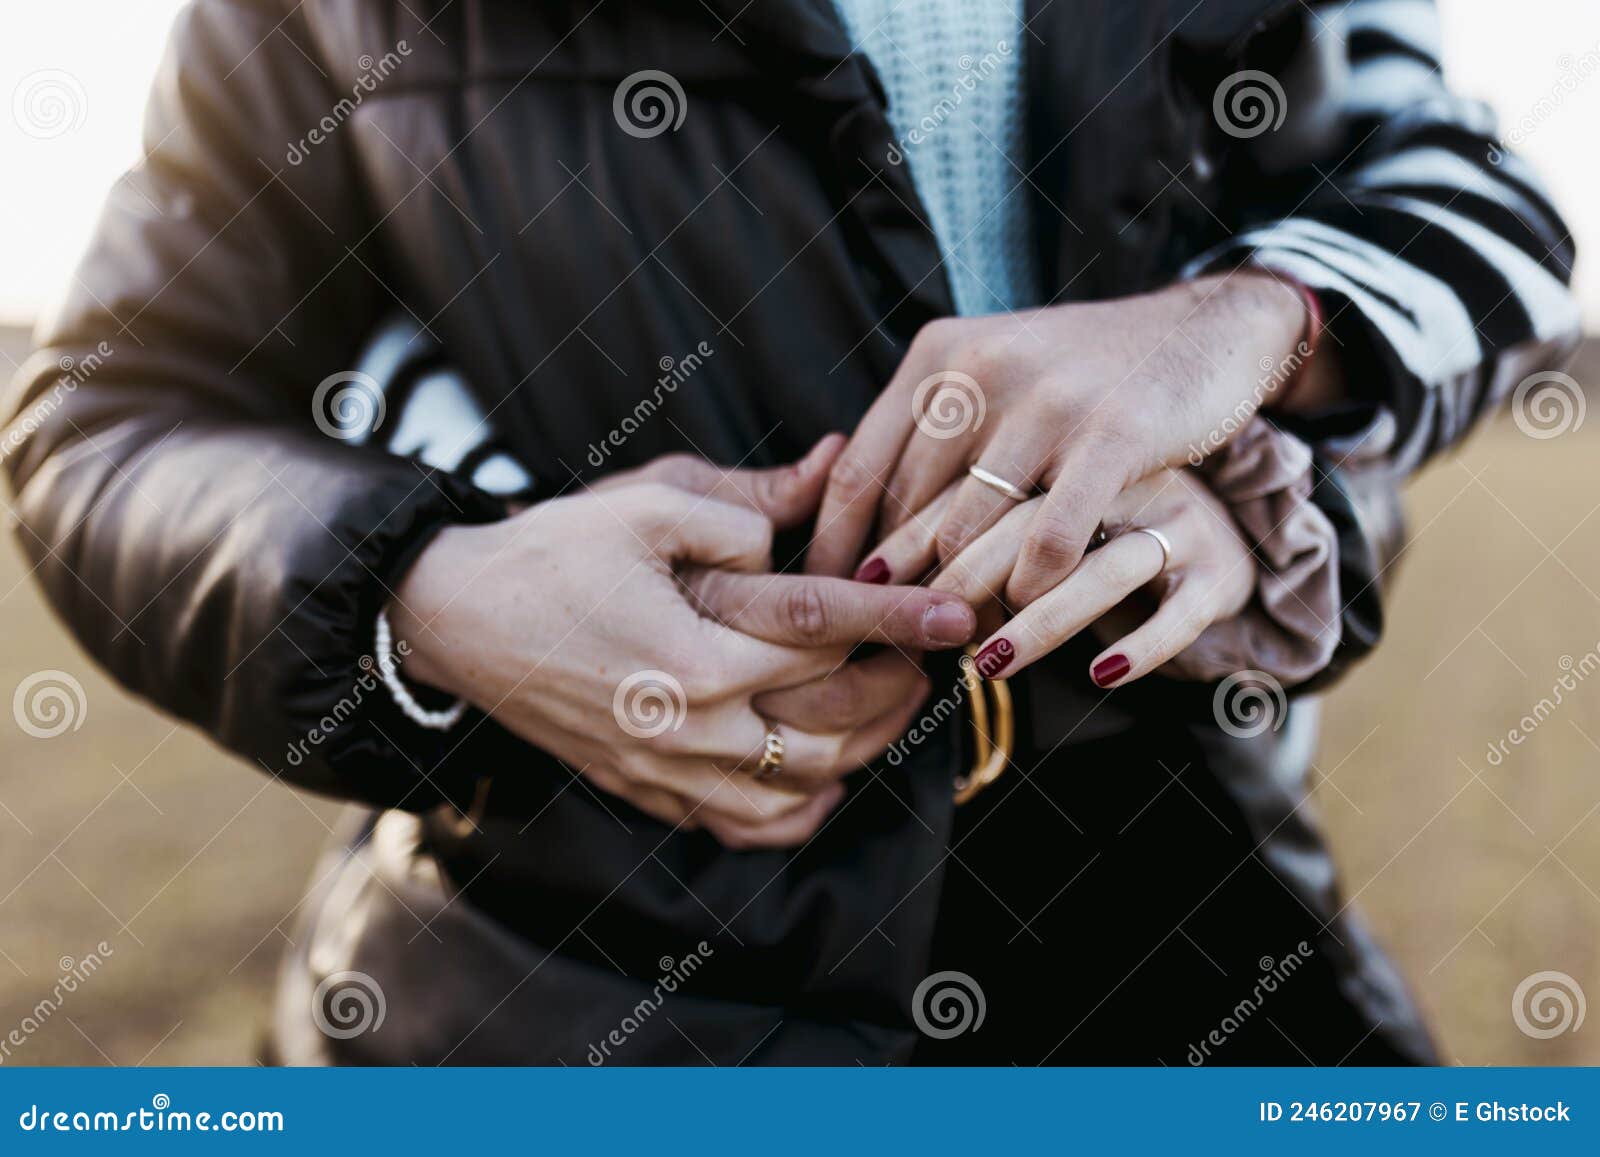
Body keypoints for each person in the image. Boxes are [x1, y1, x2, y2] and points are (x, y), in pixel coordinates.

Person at [2, 0, 1577, 1064]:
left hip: (1211, 937)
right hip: (560, 1002)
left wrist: (1256, 383)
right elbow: (118, 409)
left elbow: (1468, 199)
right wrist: (434, 596)